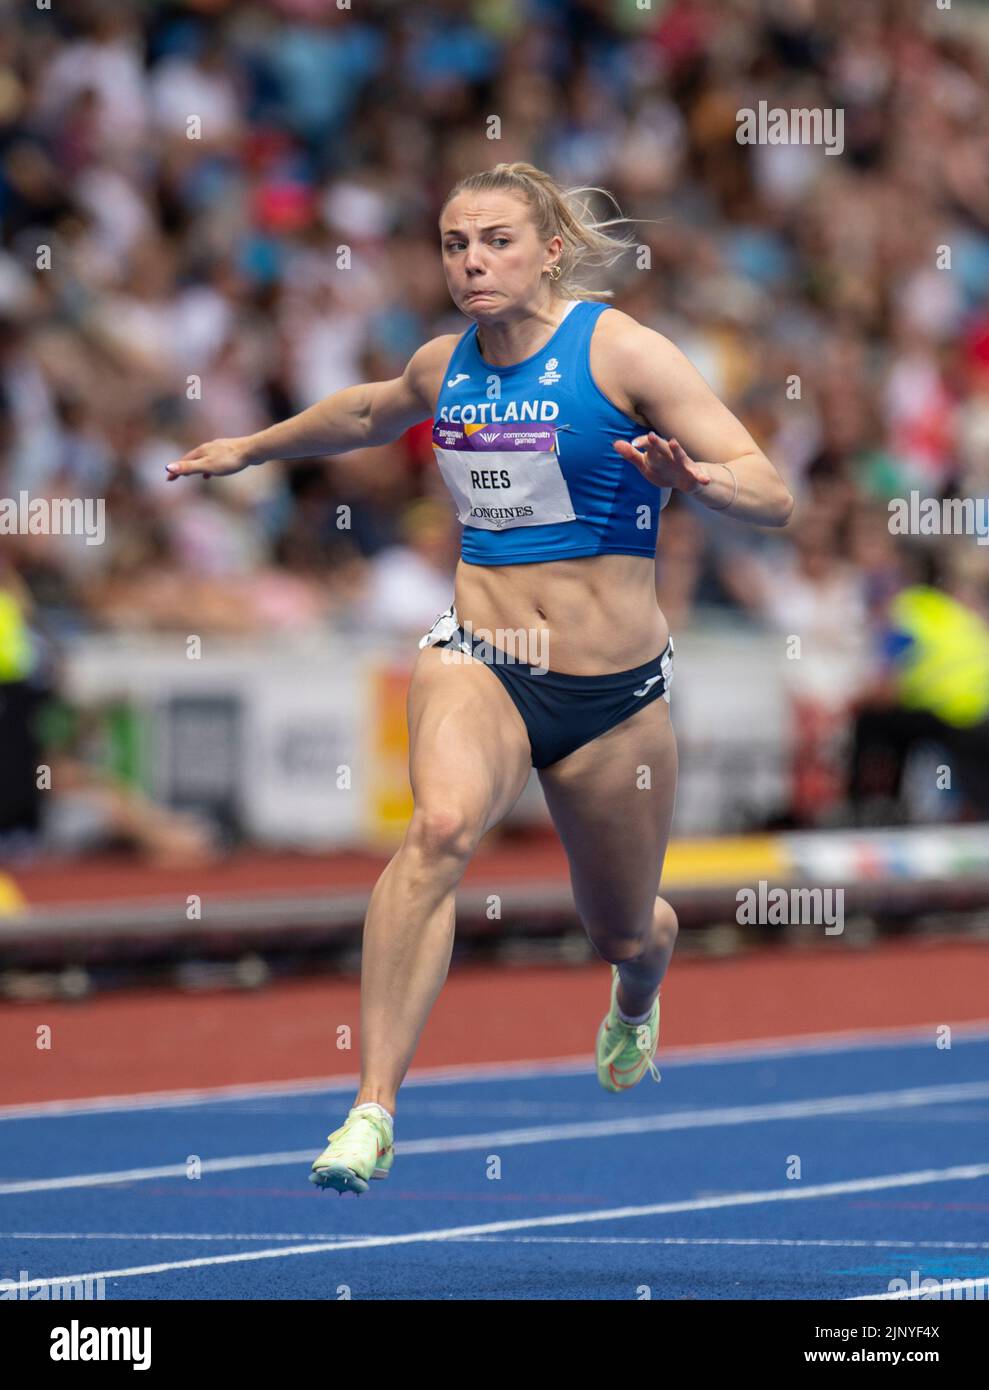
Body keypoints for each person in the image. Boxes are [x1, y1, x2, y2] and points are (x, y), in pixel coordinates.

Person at [166, 162, 794, 1195]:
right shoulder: (443, 365)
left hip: (612, 697)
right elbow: (365, 410)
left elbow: (771, 493)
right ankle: (372, 1107)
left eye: (495, 240)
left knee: (622, 926)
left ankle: (638, 984)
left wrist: (699, 481)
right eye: (455, 244)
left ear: (549, 248)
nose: (471, 262)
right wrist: (247, 448)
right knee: (440, 828)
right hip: (484, 658)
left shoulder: (622, 350)